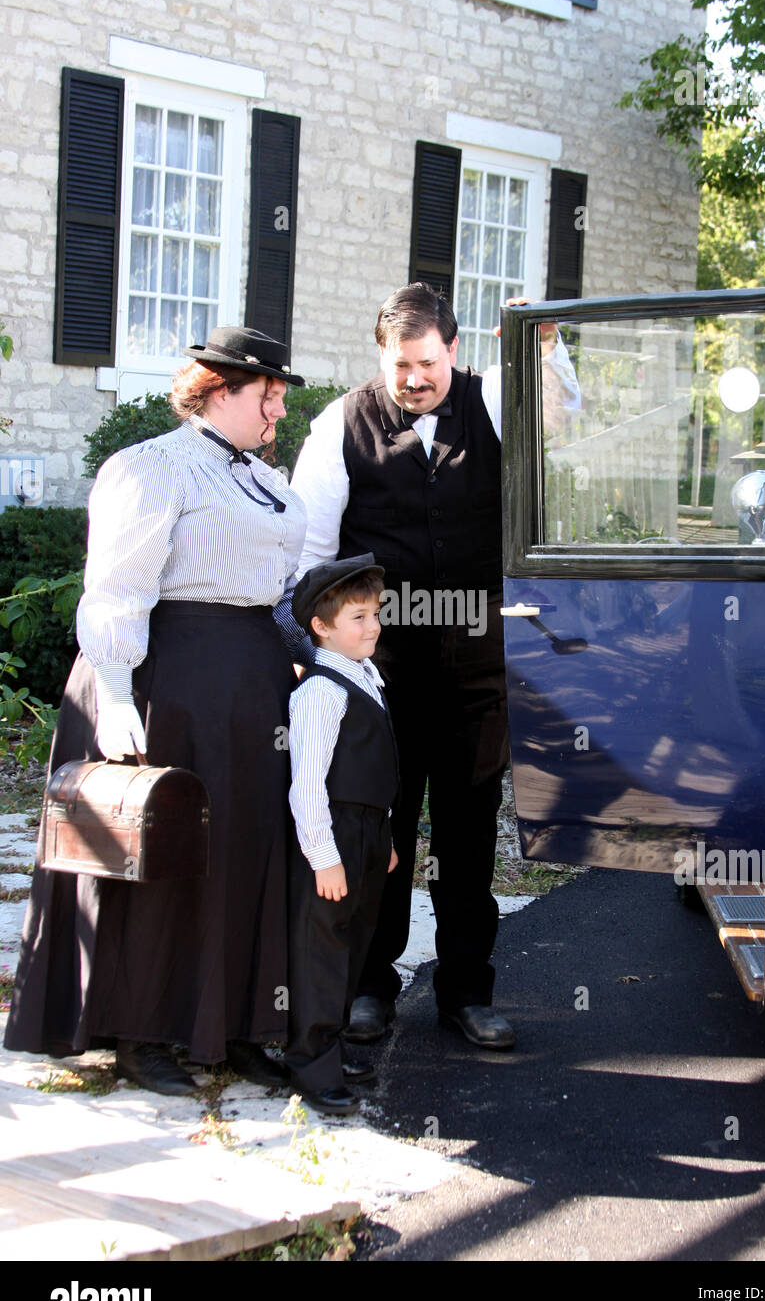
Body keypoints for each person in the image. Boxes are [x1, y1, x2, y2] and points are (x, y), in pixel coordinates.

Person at [4, 326, 308, 1096]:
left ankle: (236, 1026)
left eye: (279, 390)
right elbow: (115, 588)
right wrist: (111, 694)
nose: (278, 403)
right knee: (159, 851)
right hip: (163, 682)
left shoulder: (268, 482)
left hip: (251, 691)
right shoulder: (150, 468)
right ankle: (142, 1033)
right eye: (265, 390)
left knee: (245, 849)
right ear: (217, 389)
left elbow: (274, 592)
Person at [288, 283, 579, 1050]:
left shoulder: (490, 405)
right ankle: (368, 988)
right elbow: (310, 555)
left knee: (468, 834)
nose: (413, 378)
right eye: (399, 364)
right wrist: (310, 657)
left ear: (453, 348)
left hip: (478, 666)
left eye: (426, 361)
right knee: (380, 828)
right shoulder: (338, 425)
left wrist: (546, 348)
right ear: (380, 356)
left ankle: (466, 992)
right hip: (378, 672)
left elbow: (559, 426)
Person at [284, 554, 399, 1115]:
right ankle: (310, 1059)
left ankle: (329, 1045)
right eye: (358, 617)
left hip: (370, 832)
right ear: (321, 627)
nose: (373, 626)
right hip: (333, 836)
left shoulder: (367, 677)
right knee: (324, 946)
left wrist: (387, 839)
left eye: (375, 614)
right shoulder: (320, 693)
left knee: (356, 939)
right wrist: (325, 858)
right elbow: (306, 786)